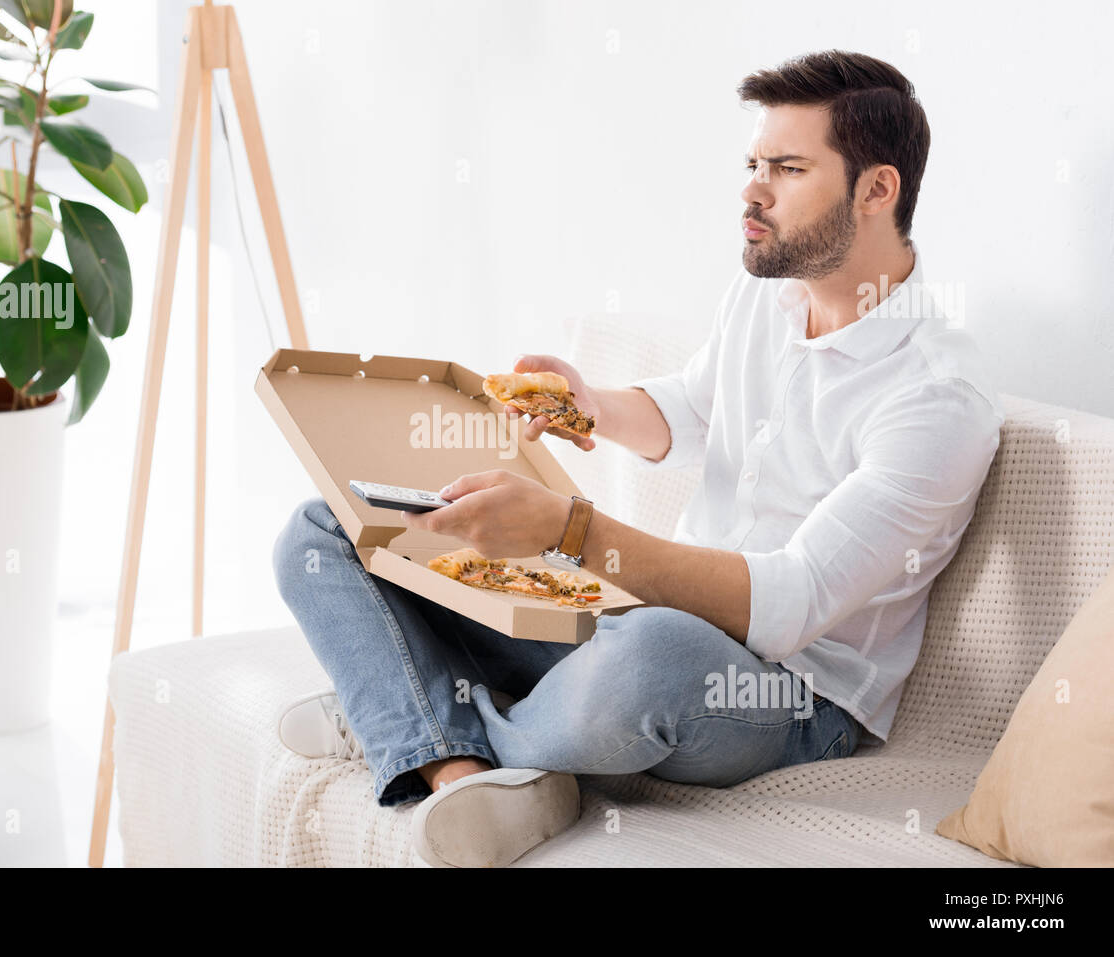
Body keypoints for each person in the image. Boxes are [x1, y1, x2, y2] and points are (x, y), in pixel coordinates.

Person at [272, 49, 1003, 868]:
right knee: (324, 529)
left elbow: (789, 604)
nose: (752, 192)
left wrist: (569, 527)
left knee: (648, 657)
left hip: (786, 692)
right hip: (629, 611)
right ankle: (452, 755)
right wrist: (593, 407)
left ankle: (404, 718)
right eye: (753, 164)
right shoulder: (771, 287)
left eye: (788, 169)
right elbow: (692, 409)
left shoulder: (938, 397)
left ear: (878, 189)